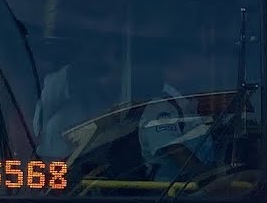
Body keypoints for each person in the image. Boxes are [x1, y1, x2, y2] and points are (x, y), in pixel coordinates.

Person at [138, 48, 218, 181]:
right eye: (183, 66)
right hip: (172, 192)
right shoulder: (159, 107)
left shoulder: (190, 104)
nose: (194, 71)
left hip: (199, 189)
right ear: (167, 71)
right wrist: (206, 178)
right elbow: (175, 150)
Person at [32, 46, 123, 159]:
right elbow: (57, 166)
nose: (115, 73)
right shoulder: (62, 122)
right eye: (103, 70)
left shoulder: (131, 108)